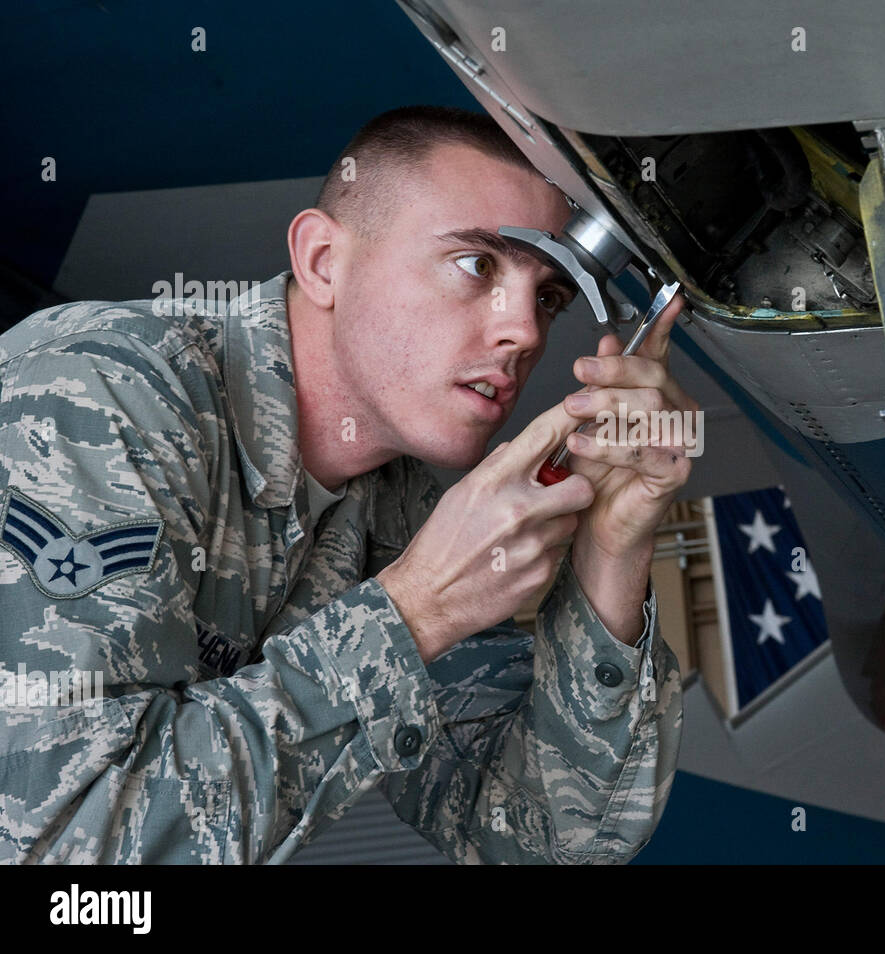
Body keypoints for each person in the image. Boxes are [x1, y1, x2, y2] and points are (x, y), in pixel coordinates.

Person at [0, 106, 694, 864]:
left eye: (548, 297)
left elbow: (552, 839)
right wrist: (416, 610)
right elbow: (62, 854)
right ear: (324, 260)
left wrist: (611, 549)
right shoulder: (102, 395)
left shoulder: (396, 515)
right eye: (478, 265)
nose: (524, 331)